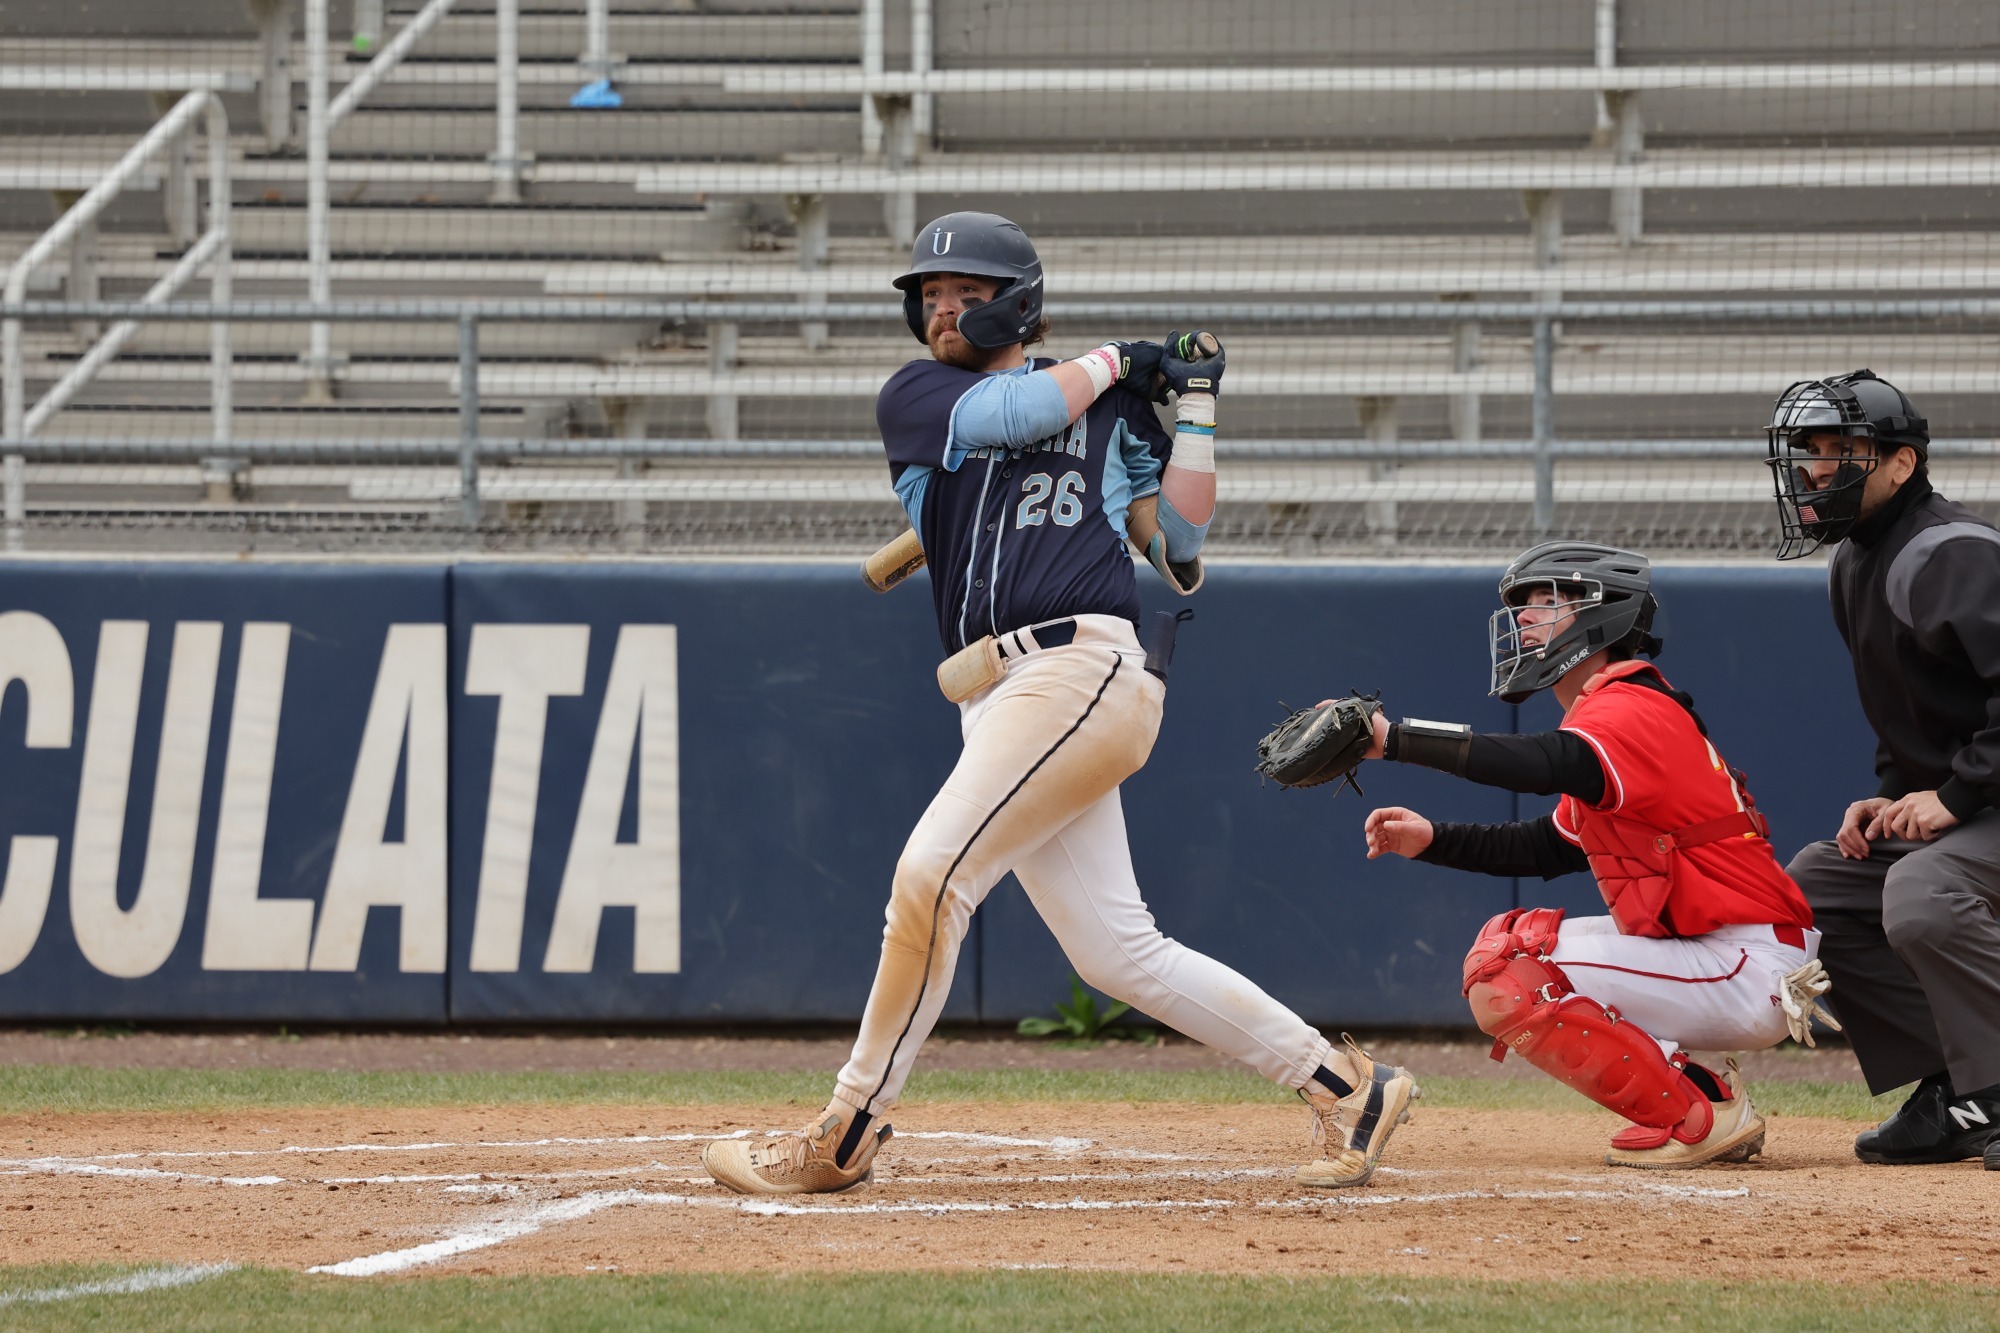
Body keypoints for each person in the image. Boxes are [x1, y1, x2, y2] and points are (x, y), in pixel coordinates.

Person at [701, 210, 1418, 1196]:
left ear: (1018, 304)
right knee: (1119, 953)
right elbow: (1009, 419)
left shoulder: (1110, 414)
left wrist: (1193, 406)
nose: (943, 311)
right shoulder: (919, 396)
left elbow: (1176, 544)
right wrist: (1121, 357)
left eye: (967, 295)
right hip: (995, 694)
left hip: (1077, 671)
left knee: (930, 876)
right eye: (931, 299)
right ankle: (1349, 1087)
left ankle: (846, 1127)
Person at [1359, 542, 1826, 1168]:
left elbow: (1551, 763)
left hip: (1744, 960)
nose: (1524, 618)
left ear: (1599, 616)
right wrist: (1433, 839)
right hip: (1725, 953)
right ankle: (1703, 1097)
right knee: (1510, 950)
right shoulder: (1614, 710)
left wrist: (1396, 740)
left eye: (1544, 601)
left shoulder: (1629, 705)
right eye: (1521, 604)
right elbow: (1547, 846)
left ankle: (1696, 1119)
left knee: (1509, 965)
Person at [1764, 369, 2000, 1169]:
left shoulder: (1950, 551)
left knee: (1924, 890)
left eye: (1846, 450)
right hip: (1977, 803)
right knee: (1814, 891)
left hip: (1988, 799)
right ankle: (1956, 1087)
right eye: (1813, 450)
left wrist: (1960, 793)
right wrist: (1896, 797)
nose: (1822, 467)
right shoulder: (1855, 562)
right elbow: (1918, 715)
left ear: (1903, 463)